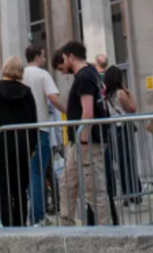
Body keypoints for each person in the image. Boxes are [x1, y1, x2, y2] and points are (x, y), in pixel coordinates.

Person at [52, 41, 113, 226]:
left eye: (64, 59)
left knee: (93, 189)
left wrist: (84, 142)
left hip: (87, 142)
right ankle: (68, 226)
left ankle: (105, 231)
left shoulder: (85, 76)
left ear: (71, 57)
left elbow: (88, 113)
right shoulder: (89, 74)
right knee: (67, 184)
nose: (63, 63)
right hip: (81, 141)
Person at [0, 56, 38, 227]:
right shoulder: (27, 92)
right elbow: (33, 120)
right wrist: (32, 145)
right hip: (22, 145)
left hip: (1, 144)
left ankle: (7, 223)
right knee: (20, 187)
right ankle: (21, 222)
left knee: (3, 187)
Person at [21, 45, 64, 225]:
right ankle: (37, 216)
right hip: (41, 128)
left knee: (31, 174)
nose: (45, 59)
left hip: (23, 129)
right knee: (38, 173)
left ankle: (35, 213)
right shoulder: (42, 75)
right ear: (38, 57)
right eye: (43, 56)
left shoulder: (20, 75)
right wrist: (69, 111)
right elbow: (53, 98)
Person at [103, 66, 141, 209]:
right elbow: (132, 108)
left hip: (110, 130)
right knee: (127, 162)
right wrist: (129, 93)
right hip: (122, 129)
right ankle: (132, 195)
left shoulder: (105, 95)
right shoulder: (121, 93)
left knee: (115, 162)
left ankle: (116, 195)